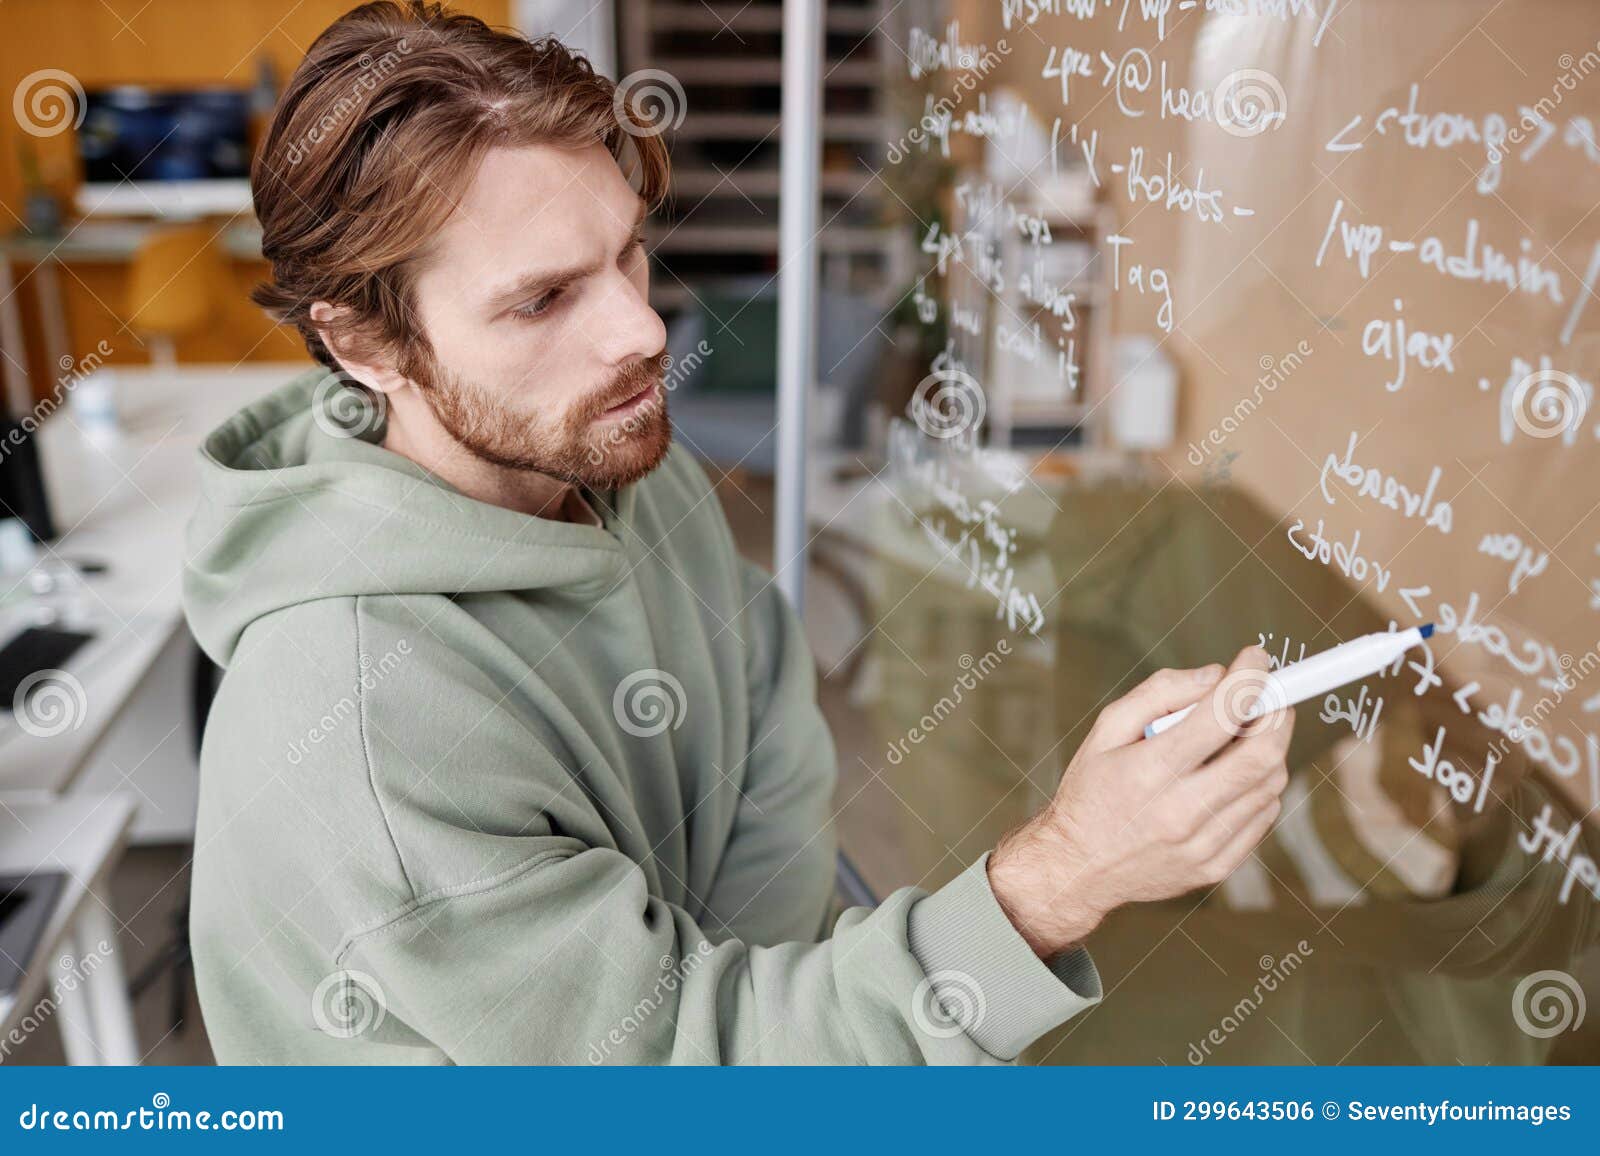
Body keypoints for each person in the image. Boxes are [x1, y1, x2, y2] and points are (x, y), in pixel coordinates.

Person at [183, 0, 1293, 1064]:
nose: (641, 329)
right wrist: (1065, 873)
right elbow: (692, 1072)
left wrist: (798, 1005)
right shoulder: (363, 730)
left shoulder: (622, 470)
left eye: (627, 251)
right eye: (542, 300)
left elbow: (768, 725)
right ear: (365, 345)